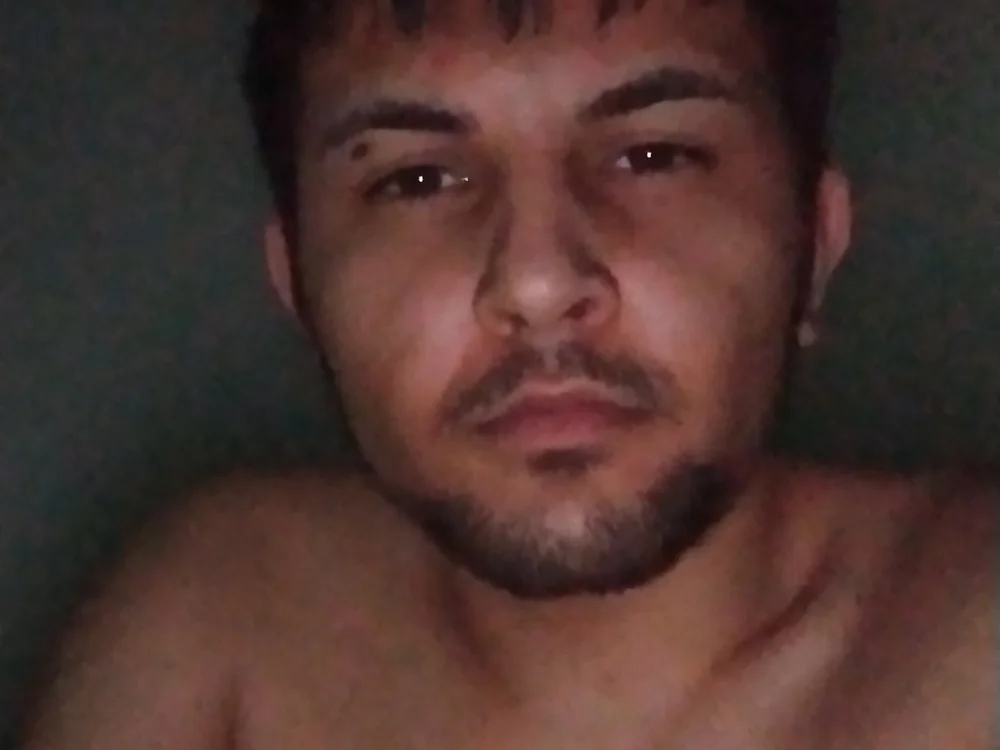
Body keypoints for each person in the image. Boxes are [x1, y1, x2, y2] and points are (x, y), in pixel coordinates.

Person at [20, 0, 996, 747]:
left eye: (654, 155)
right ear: (300, 291)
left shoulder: (968, 638)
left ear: (814, 248)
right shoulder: (221, 610)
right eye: (416, 180)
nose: (536, 283)